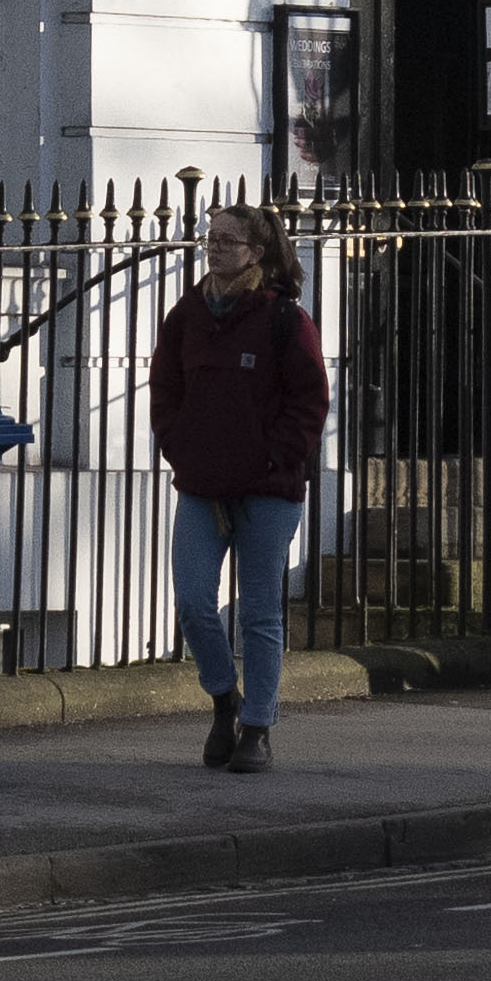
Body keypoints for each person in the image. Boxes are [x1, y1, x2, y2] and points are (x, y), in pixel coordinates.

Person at [147, 198, 327, 771]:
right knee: (193, 603)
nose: (215, 248)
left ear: (257, 252)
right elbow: (164, 390)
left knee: (259, 615)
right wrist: (178, 445)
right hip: (202, 487)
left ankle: (257, 727)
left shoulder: (284, 319)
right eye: (212, 238)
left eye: (228, 240)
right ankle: (225, 699)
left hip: (268, 491)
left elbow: (310, 401)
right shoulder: (187, 315)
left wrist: (275, 457)